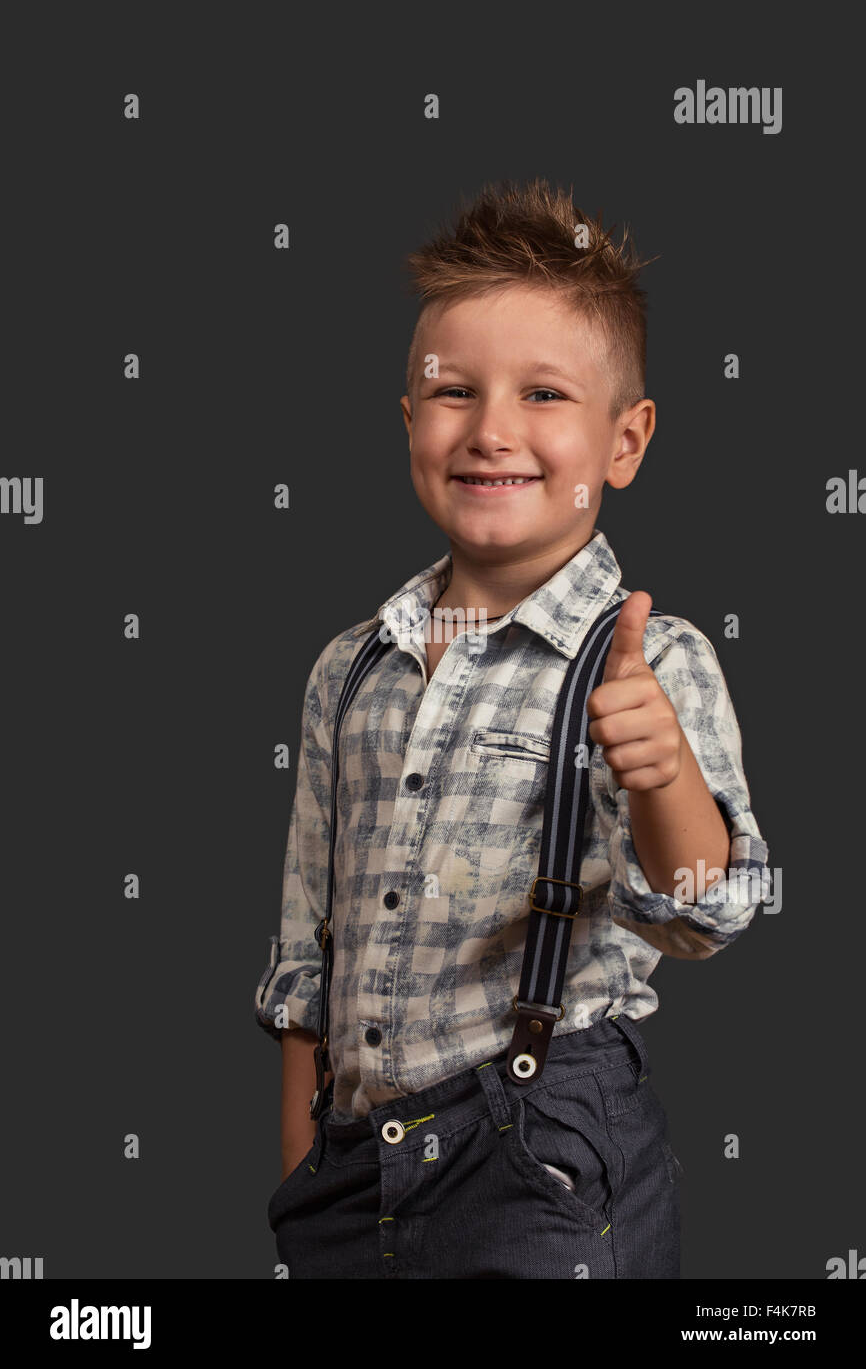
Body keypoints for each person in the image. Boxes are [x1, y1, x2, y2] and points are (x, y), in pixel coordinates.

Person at [254, 177, 771, 1279]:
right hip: (349, 1174)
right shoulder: (349, 670)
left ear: (623, 441)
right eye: (453, 392)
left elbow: (707, 912)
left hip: (538, 1158)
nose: (491, 429)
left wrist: (660, 769)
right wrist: (301, 1172)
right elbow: (305, 953)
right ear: (408, 422)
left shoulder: (651, 662)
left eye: (542, 394)